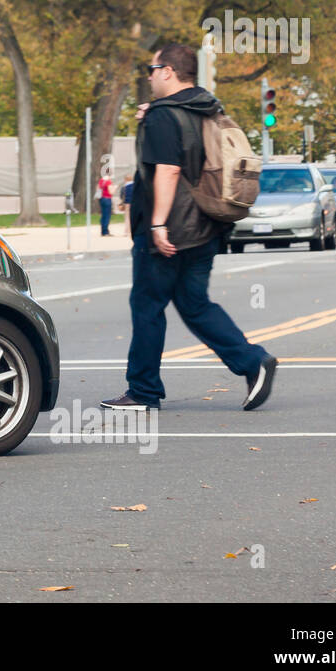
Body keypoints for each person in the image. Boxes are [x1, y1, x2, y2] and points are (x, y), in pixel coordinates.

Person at [102, 43, 277, 413]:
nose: (148, 76)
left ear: (167, 71)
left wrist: (158, 224)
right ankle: (252, 362)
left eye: (151, 69)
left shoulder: (164, 116)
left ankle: (143, 391)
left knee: (147, 305)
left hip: (174, 229)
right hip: (207, 224)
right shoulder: (206, 107)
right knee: (194, 303)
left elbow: (169, 169)